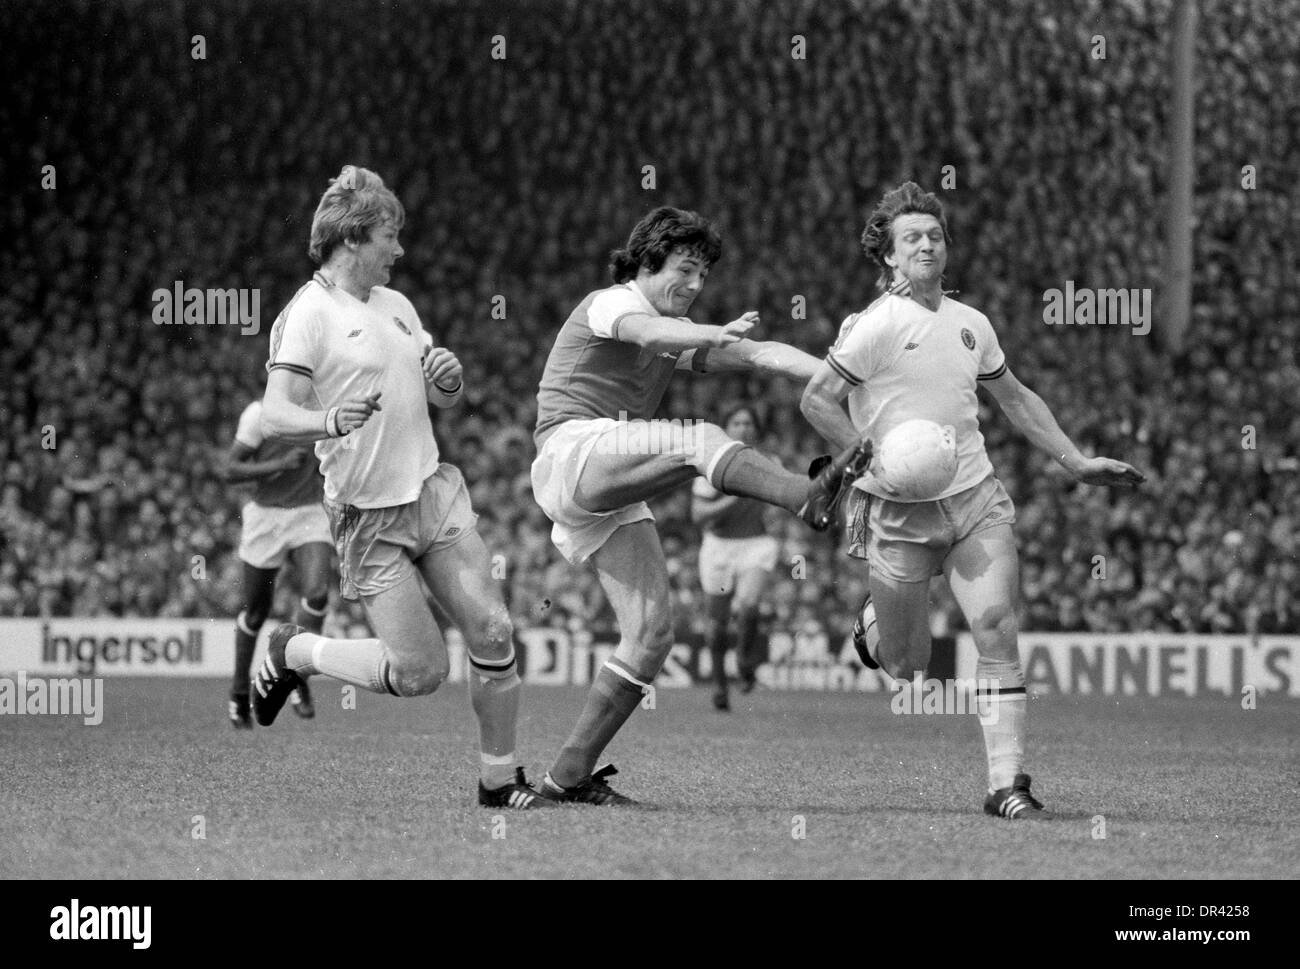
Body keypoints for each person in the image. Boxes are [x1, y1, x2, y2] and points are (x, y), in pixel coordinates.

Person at [800, 182, 1145, 820]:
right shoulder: (872, 326)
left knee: (996, 627)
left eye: (934, 235)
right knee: (909, 667)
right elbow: (816, 398)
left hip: (974, 498)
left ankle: (1007, 784)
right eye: (912, 239)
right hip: (896, 509)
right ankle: (874, 627)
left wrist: (1076, 461)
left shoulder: (971, 324)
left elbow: (1013, 398)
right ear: (890, 258)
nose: (926, 244)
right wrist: (860, 451)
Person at [529, 206, 872, 805]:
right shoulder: (612, 303)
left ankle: (567, 776)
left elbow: (759, 355)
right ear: (647, 261)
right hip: (571, 452)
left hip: (609, 471)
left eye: (703, 275)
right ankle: (805, 495)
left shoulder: (673, 332)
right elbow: (650, 334)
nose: (695, 285)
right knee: (696, 437)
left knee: (653, 635)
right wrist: (711, 332)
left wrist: (843, 377)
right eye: (685, 269)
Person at [253, 165, 550, 810]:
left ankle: (499, 783)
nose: (401, 248)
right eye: (391, 234)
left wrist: (448, 377)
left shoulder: (397, 306)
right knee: (420, 674)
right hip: (368, 518)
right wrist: (327, 420)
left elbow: (442, 395)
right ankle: (295, 649)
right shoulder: (307, 315)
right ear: (353, 238)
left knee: (495, 631)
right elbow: (276, 413)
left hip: (431, 491)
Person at [223, 396, 332, 728]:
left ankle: (296, 681)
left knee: (316, 594)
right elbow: (230, 469)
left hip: (308, 513)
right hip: (266, 518)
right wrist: (279, 465)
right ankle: (239, 693)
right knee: (256, 612)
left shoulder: (322, 412)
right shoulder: (259, 415)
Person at [691, 404, 780, 710]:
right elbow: (699, 514)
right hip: (718, 548)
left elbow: (783, 500)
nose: (743, 428)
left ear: (756, 429)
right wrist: (736, 497)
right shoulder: (710, 464)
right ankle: (719, 682)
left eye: (748, 422)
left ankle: (744, 659)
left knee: (749, 604)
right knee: (716, 626)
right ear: (726, 429)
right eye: (736, 422)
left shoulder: (769, 463)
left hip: (756, 544)